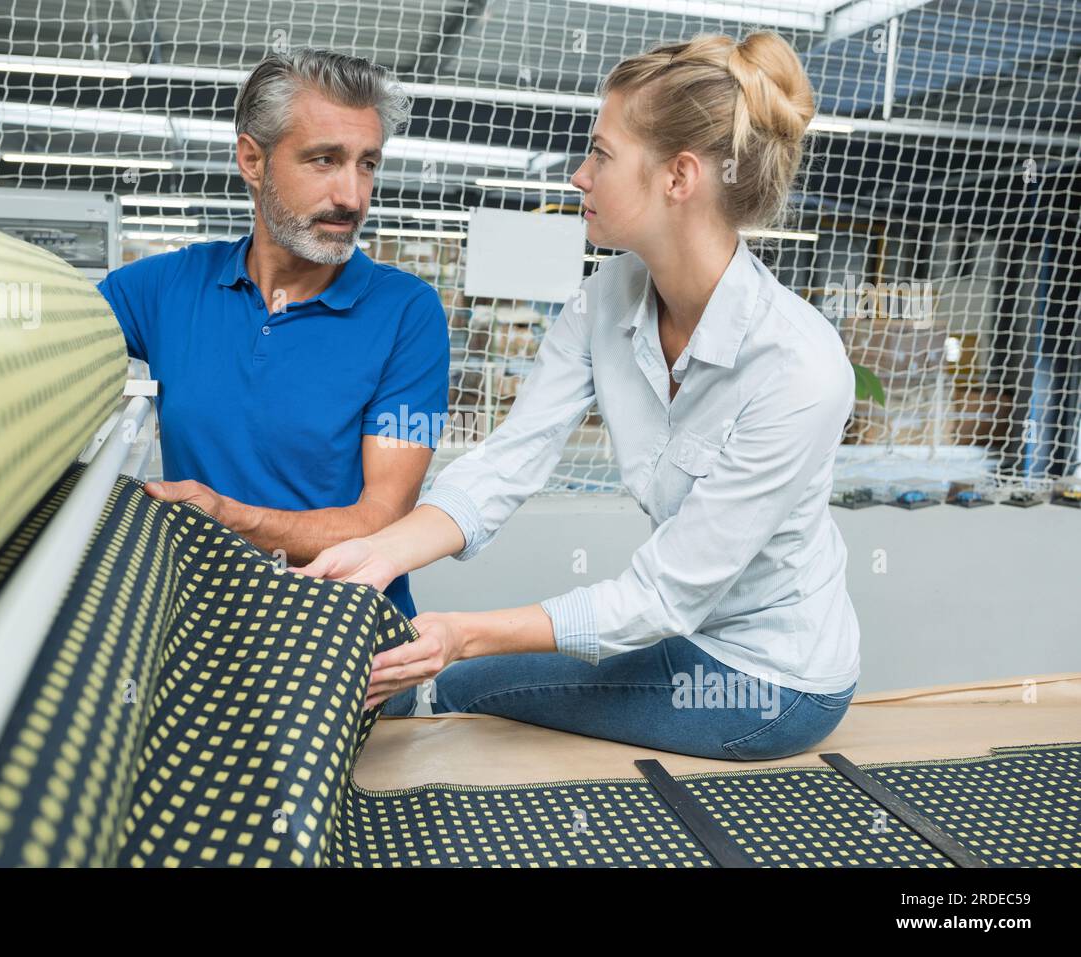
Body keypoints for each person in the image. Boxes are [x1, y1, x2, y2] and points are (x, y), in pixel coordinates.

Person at [293, 31, 861, 761]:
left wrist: (458, 636)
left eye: (601, 153)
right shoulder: (606, 298)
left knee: (472, 680)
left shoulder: (800, 369)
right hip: (681, 632)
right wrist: (377, 552)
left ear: (679, 176)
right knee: (476, 672)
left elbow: (661, 597)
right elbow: (507, 463)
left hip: (771, 680)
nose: (578, 176)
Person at [97, 49, 449, 622]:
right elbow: (44, 342)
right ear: (252, 160)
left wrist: (228, 515)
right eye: (324, 160)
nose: (352, 197)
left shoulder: (406, 312)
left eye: (367, 164)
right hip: (201, 621)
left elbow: (379, 519)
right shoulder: (165, 288)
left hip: (340, 625)